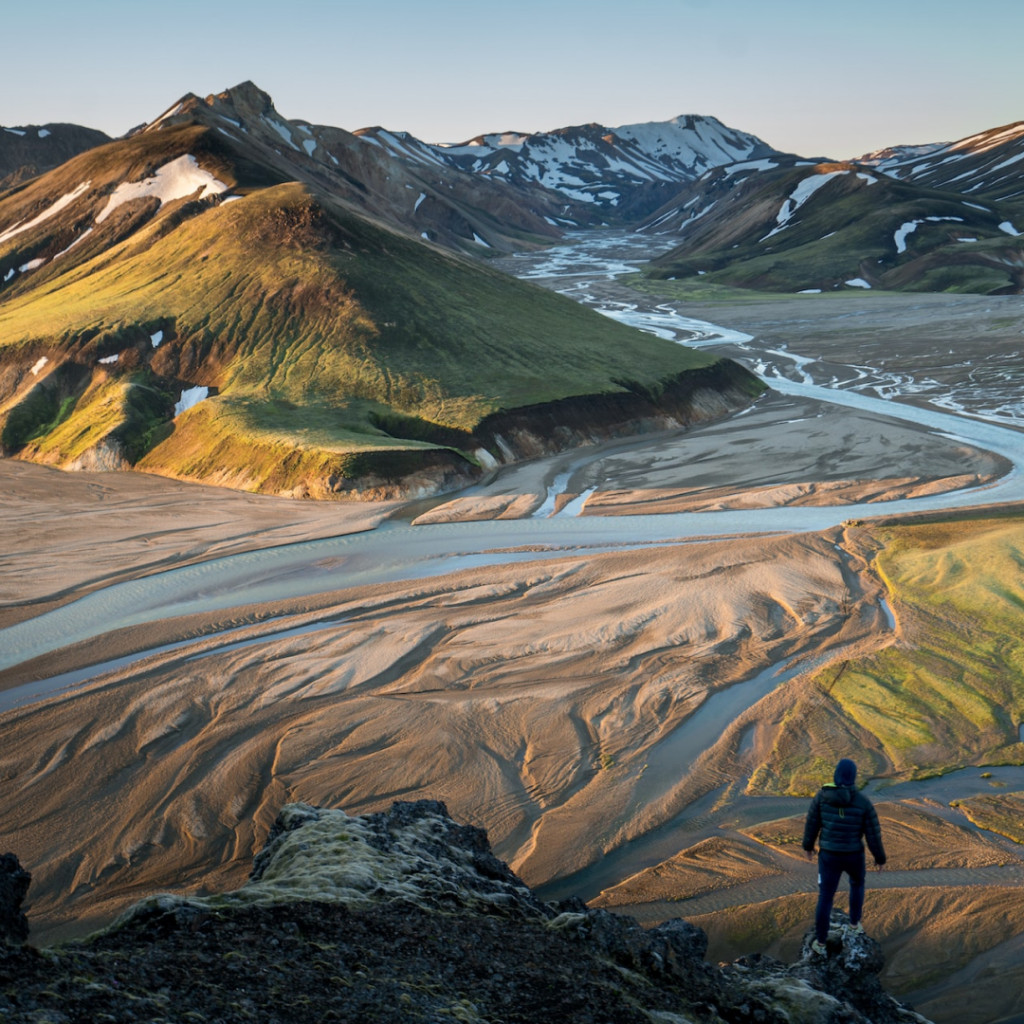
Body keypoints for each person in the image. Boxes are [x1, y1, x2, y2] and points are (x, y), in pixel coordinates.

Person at [802, 757, 886, 955]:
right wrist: (880, 859)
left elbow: (811, 823)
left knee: (825, 897)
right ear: (854, 777)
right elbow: (873, 834)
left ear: (836, 775)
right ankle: (855, 925)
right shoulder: (863, 802)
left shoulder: (821, 797)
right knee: (857, 885)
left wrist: (808, 846)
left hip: (829, 856)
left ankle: (820, 944)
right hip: (854, 855)